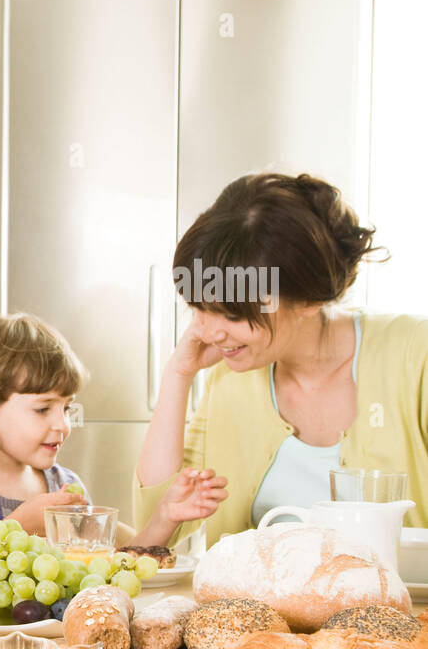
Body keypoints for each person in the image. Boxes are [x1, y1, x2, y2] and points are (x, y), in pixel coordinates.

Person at [134, 171, 428, 547]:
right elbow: (155, 528)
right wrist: (178, 375)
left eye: (232, 314)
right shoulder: (232, 376)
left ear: (309, 299)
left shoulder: (413, 355)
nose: (208, 333)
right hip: (255, 605)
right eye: (197, 308)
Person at [0, 314, 224, 556]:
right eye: (43, 409)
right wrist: (18, 526)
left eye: (66, 408)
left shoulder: (63, 486)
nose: (63, 424)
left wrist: (167, 514)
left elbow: (125, 558)